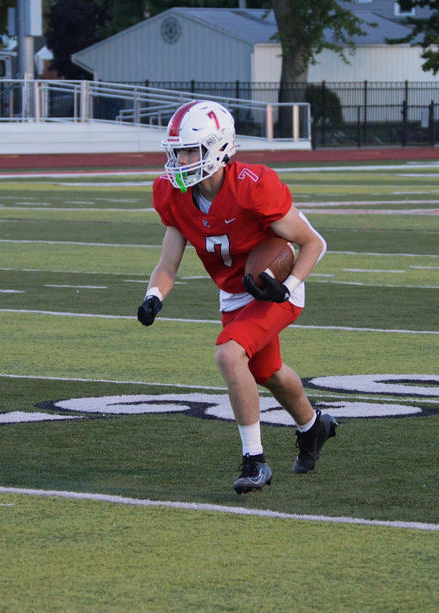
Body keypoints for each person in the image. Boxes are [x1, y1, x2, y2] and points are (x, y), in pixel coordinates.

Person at [137, 100, 336, 494]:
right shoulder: (174, 195)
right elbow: (168, 264)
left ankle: (254, 460)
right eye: (177, 150)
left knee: (229, 354)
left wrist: (288, 286)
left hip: (275, 290)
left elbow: (314, 243)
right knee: (268, 373)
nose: (182, 159)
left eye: (191, 149)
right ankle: (314, 427)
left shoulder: (252, 186)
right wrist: (153, 296)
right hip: (233, 294)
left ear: (220, 146)